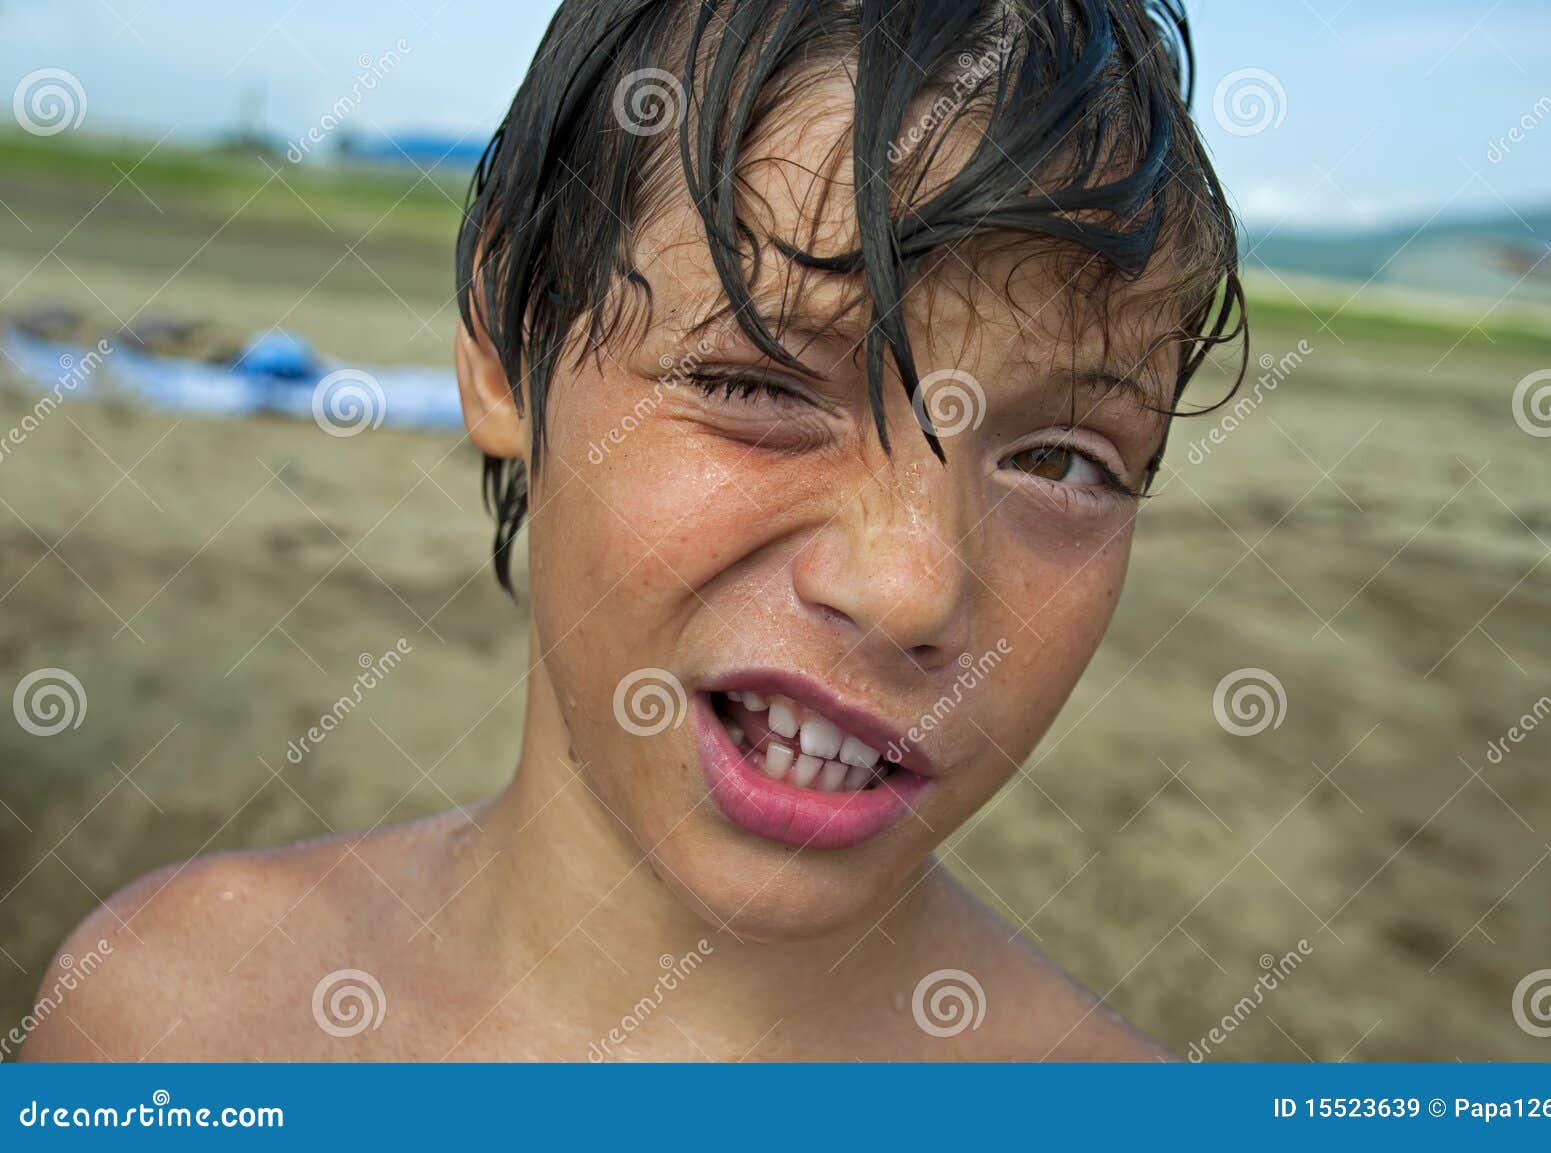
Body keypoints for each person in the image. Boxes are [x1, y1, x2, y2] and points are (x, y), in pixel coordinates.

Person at [24, 0, 1243, 1061]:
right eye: (761, 382)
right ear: (506, 342)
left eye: (1058, 461)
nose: (910, 586)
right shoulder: (165, 1018)